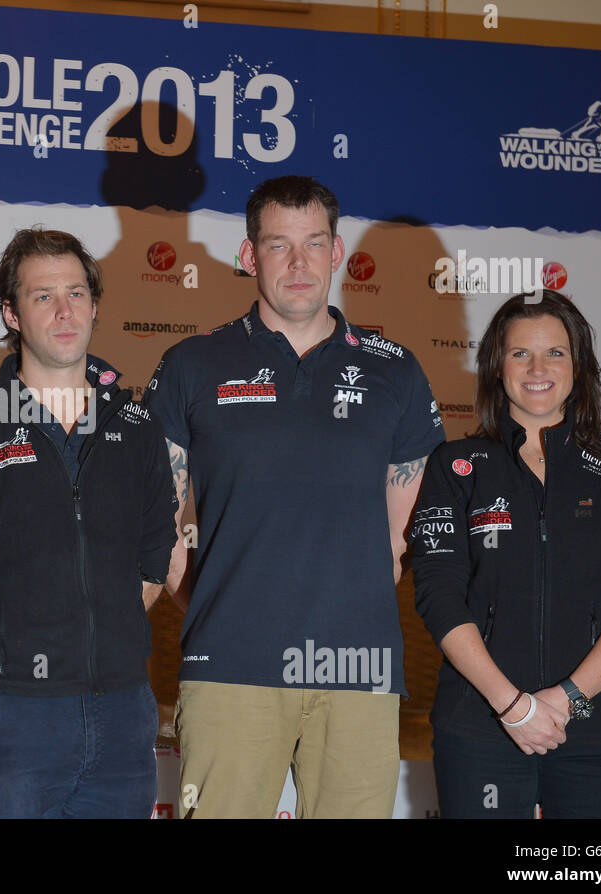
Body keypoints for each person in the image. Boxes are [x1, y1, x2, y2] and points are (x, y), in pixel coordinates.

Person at [142, 175, 446, 818]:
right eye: (279, 245)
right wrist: (220, 600)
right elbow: (157, 525)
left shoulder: (396, 370)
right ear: (250, 256)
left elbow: (400, 538)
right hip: (228, 665)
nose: (299, 263)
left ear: (338, 253)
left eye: (315, 244)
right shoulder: (193, 364)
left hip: (359, 669)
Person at [0, 228, 178, 818]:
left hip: (123, 712)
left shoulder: (137, 427)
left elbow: (153, 564)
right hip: (11, 717)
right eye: (42, 295)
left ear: (96, 306)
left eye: (76, 293)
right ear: (11, 312)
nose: (63, 310)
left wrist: (93, 645)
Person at [411, 290, 601, 818]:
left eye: (555, 352)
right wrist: (511, 706)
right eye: (519, 353)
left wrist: (563, 700)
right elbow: (439, 597)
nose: (537, 368)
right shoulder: (456, 467)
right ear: (496, 365)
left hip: (595, 728)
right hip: (479, 724)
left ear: (579, 366)